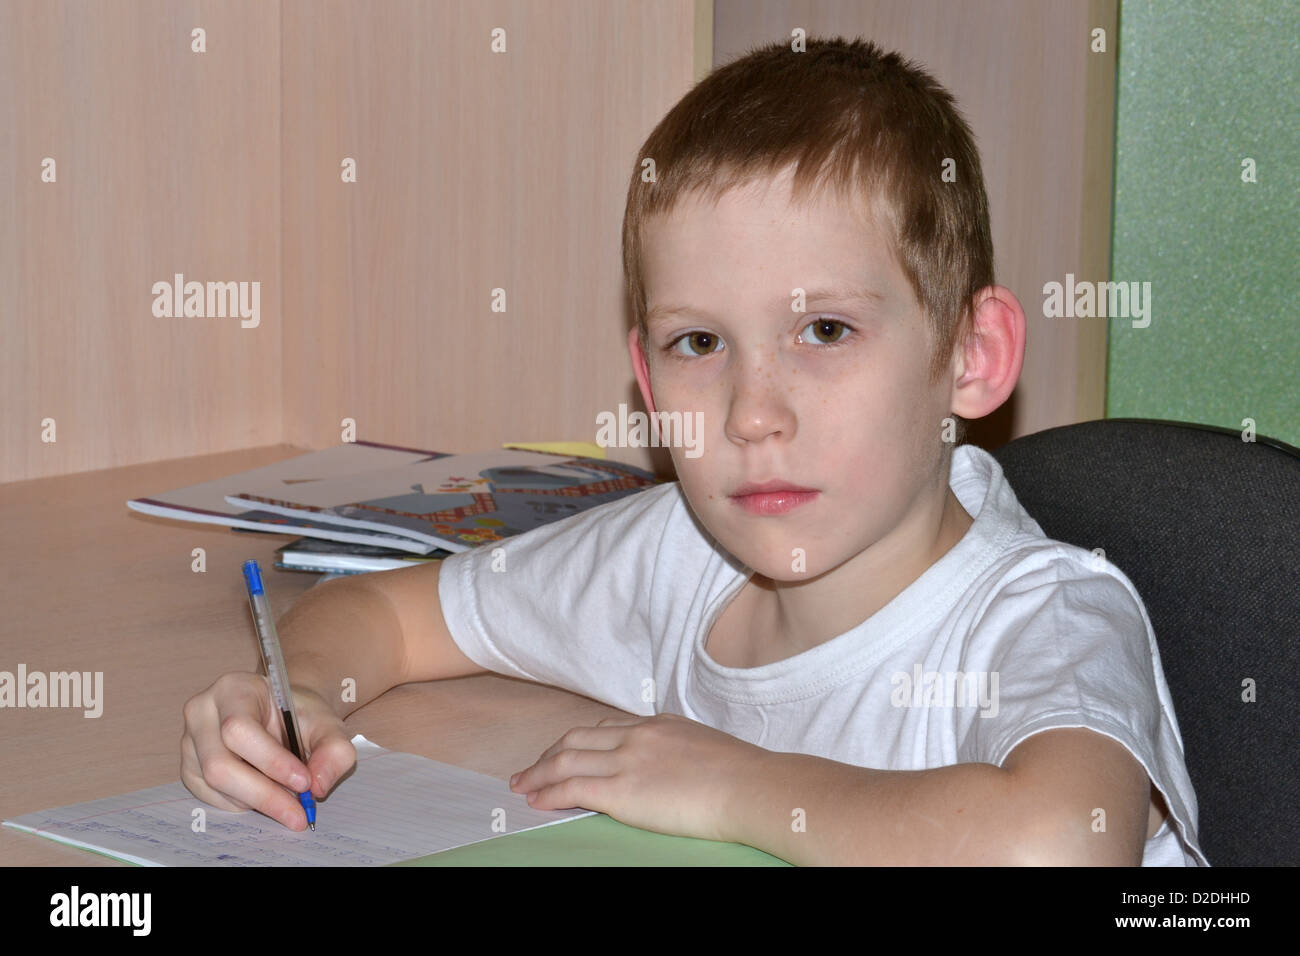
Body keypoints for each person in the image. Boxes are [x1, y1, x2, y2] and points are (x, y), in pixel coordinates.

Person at [181, 36, 1205, 866]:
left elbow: (1053, 846)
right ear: (645, 374)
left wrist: (728, 782)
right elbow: (387, 614)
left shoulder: (1040, 615)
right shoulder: (677, 559)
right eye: (698, 343)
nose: (752, 412)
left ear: (970, 357)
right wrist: (295, 693)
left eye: (825, 331)